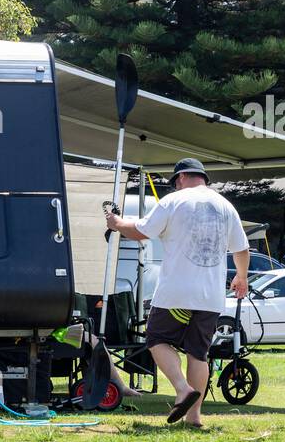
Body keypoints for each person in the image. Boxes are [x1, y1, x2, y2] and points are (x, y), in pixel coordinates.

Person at [105, 157, 249, 427]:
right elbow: (241, 248)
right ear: (202, 178)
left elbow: (141, 231)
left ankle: (182, 389)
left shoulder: (174, 201)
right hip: (210, 296)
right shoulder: (226, 206)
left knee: (157, 339)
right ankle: (194, 418)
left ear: (181, 178)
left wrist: (117, 223)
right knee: (198, 353)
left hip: (176, 292)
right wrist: (241, 277)